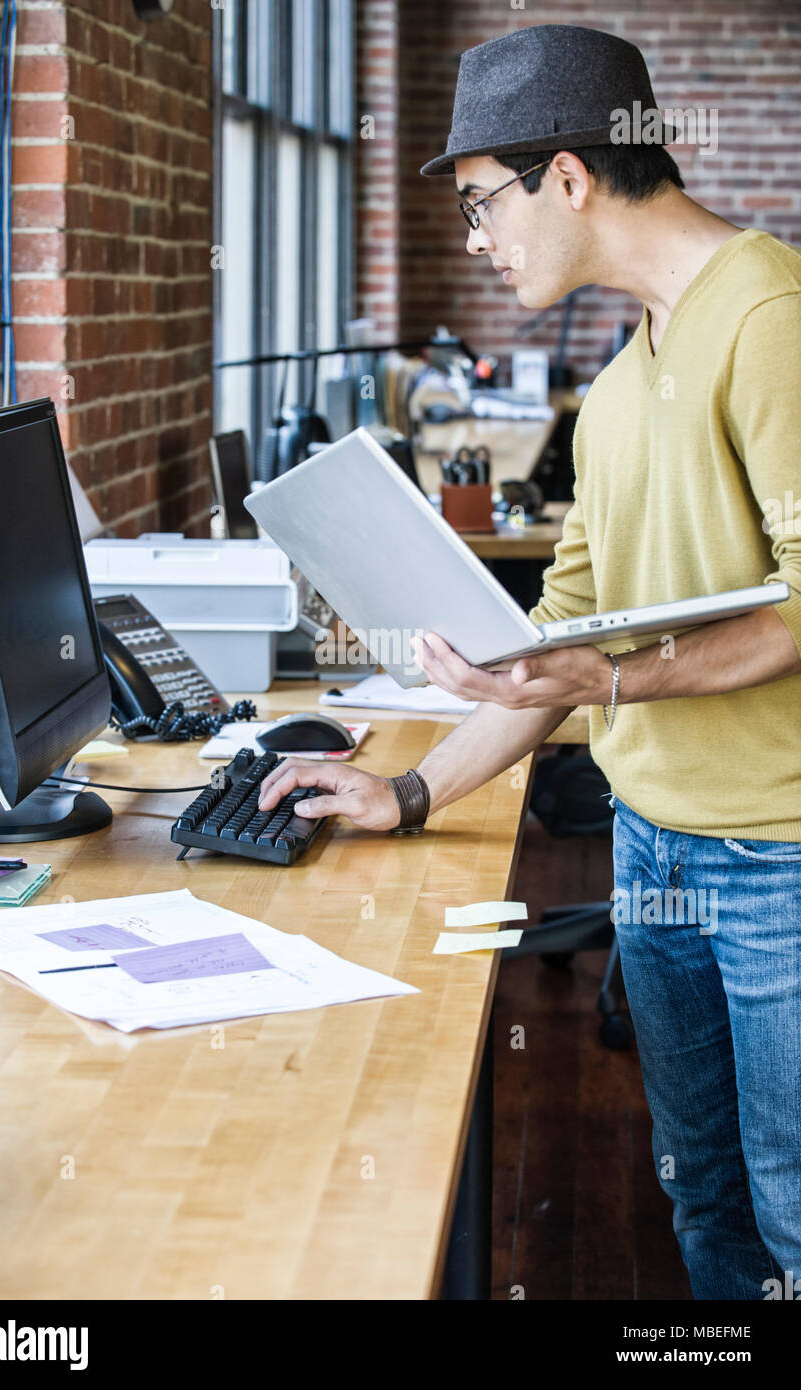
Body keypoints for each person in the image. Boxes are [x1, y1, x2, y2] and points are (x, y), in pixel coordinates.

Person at [259, 24, 801, 1300]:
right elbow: (548, 646)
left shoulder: (769, 316)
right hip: (654, 841)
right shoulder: (619, 386)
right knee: (703, 1196)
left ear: (569, 176)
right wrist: (403, 793)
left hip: (778, 857)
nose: (478, 239)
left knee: (792, 1211)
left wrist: (608, 682)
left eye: (482, 202)